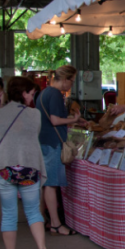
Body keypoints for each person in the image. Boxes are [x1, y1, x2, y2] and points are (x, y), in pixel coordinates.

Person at [0, 76, 54, 249]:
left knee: (9, 213)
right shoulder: (35, 115)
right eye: (31, 93)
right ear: (23, 93)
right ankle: (42, 248)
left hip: (5, 168)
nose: (32, 97)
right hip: (30, 168)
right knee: (33, 210)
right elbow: (31, 136)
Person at [36, 66, 86, 237]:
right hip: (52, 143)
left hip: (43, 142)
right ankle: (56, 224)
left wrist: (75, 122)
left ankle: (41, 218)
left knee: (45, 183)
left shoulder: (44, 93)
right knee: (51, 184)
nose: (71, 85)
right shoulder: (56, 94)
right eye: (72, 81)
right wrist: (74, 119)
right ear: (65, 79)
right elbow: (55, 120)